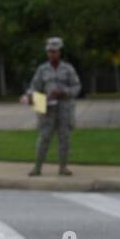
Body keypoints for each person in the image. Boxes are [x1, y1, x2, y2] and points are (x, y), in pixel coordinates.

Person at [20, 36, 81, 176]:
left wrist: (63, 92)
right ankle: (37, 167)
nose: (52, 54)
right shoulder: (42, 69)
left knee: (64, 138)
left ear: (60, 52)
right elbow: (34, 87)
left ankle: (63, 167)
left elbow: (77, 87)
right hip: (47, 109)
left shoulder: (68, 68)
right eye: (49, 51)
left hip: (65, 108)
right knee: (43, 138)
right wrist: (30, 96)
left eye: (55, 51)